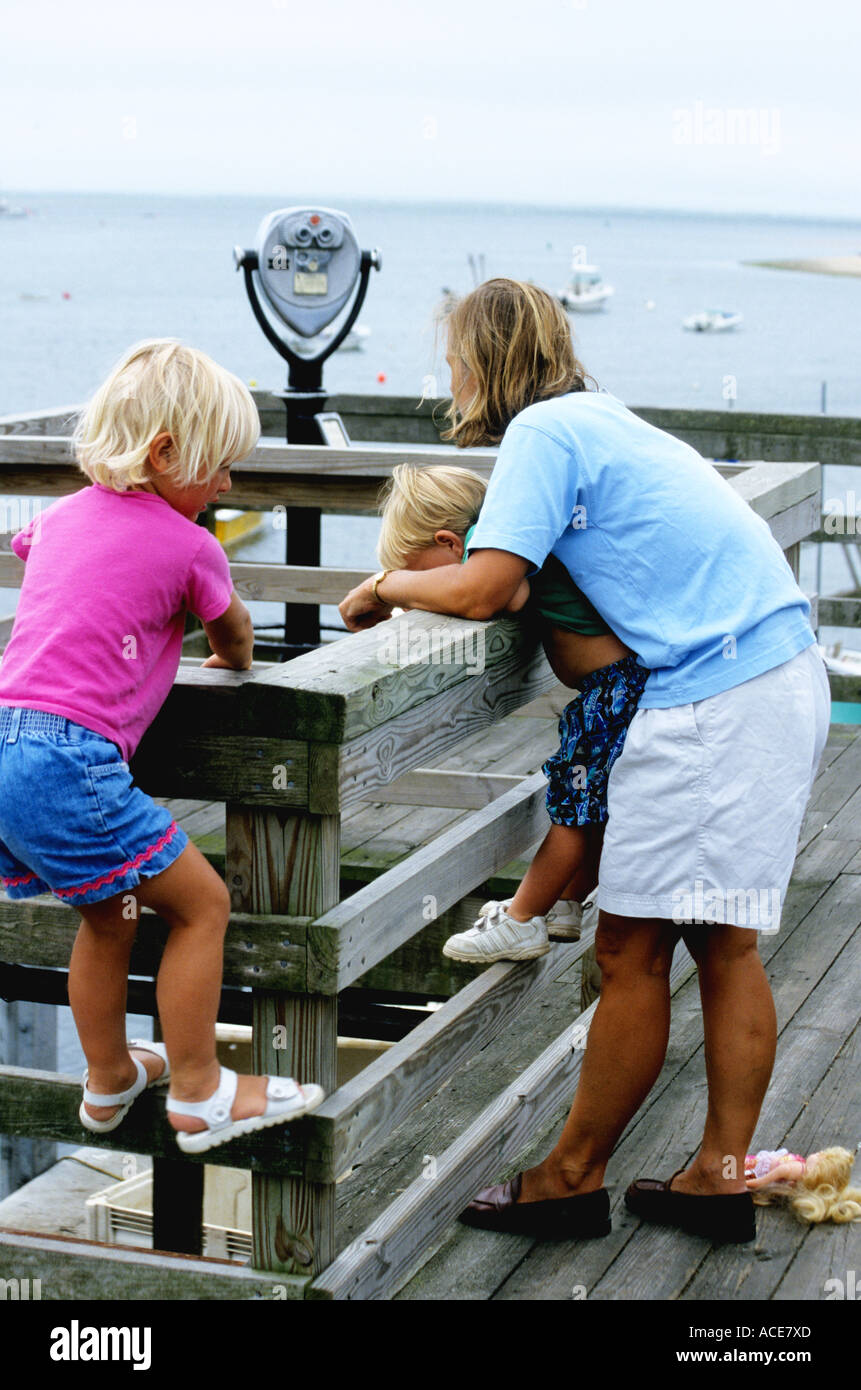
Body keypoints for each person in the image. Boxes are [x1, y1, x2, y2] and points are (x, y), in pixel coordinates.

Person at [340, 278, 830, 1243]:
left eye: (453, 361)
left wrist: (380, 587)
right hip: (775, 673)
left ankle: (570, 1177)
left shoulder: (545, 435)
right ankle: (715, 1178)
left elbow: (485, 586)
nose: (450, 377)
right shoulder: (608, 421)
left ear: (482, 361)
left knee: (630, 948)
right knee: (721, 944)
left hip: (713, 699)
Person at [0, 339, 324, 1153]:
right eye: (217, 467)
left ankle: (108, 1076)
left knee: (110, 916)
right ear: (166, 451)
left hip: (10, 746)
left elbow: (37, 556)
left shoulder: (59, 518)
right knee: (203, 905)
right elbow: (236, 632)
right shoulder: (191, 548)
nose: (226, 485)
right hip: (72, 759)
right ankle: (199, 1088)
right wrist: (231, 660)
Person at [376, 461, 648, 960]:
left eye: (420, 574)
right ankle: (567, 900)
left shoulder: (492, 545)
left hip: (613, 688)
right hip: (622, 685)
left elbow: (504, 595)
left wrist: (387, 585)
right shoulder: (518, 535)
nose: (423, 591)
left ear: (449, 544)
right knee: (593, 803)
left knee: (571, 805)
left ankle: (522, 918)